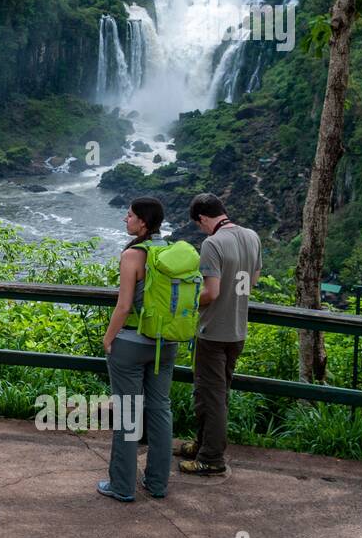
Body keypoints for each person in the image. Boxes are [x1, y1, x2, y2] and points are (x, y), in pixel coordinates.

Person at [97, 197, 178, 502]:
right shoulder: (172, 251)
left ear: (143, 222)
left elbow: (124, 305)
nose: (125, 219)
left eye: (129, 215)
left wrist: (108, 338)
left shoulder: (133, 254)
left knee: (128, 415)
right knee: (160, 410)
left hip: (131, 343)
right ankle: (157, 484)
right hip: (166, 343)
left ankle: (121, 486)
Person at [179, 193, 262, 477]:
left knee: (210, 396)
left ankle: (211, 459)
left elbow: (210, 293)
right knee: (217, 394)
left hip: (213, 332)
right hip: (238, 329)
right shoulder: (252, 236)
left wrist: (185, 300)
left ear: (203, 218)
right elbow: (253, 280)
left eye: (199, 225)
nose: (201, 230)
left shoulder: (212, 243)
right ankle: (203, 445)